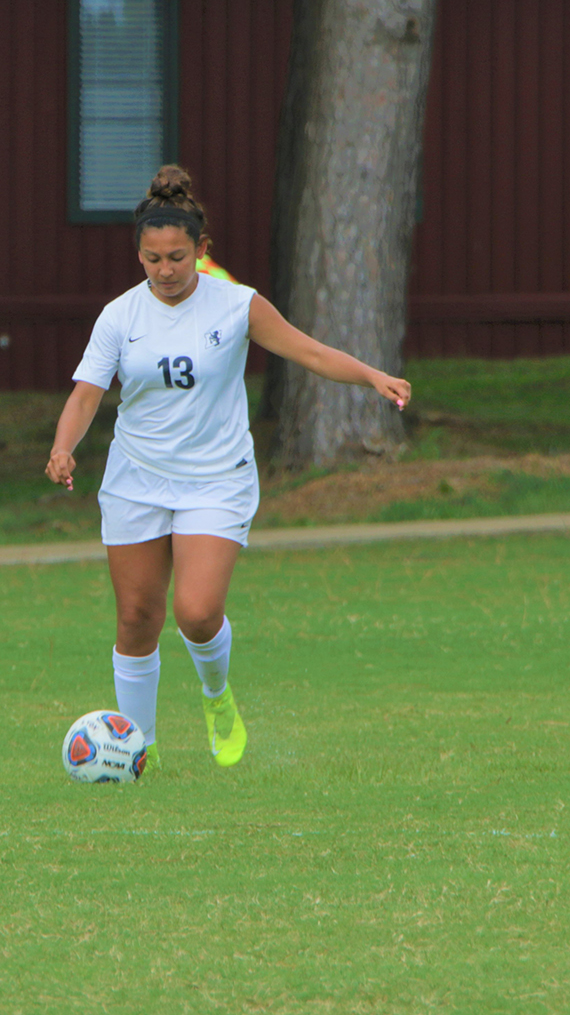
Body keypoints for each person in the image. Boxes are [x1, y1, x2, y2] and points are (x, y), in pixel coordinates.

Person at [45, 166, 413, 771]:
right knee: (137, 617)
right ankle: (140, 751)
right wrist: (65, 448)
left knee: (196, 612)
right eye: (153, 258)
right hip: (136, 477)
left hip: (216, 477)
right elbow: (86, 393)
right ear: (138, 255)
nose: (165, 271)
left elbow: (310, 350)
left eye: (178, 257)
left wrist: (372, 376)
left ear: (201, 251)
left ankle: (217, 700)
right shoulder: (119, 316)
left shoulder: (238, 305)